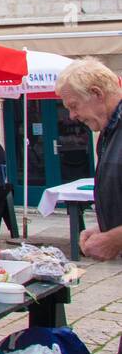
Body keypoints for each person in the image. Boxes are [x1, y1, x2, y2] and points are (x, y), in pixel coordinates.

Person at [56, 58, 122, 263]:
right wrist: (106, 226)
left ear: (96, 93)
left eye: (74, 106)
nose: (72, 116)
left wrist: (115, 239)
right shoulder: (108, 131)